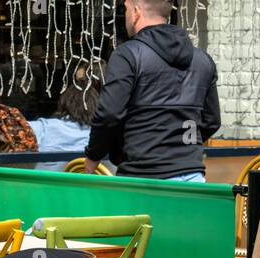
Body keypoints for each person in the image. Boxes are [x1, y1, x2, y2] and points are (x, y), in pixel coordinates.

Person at [84, 0, 219, 181]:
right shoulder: (202, 60)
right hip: (191, 176)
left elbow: (109, 113)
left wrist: (93, 155)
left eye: (126, 9)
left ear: (136, 12)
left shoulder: (127, 55)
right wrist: (180, 145)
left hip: (142, 177)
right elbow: (212, 120)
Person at [30, 69, 101, 170]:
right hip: (88, 185)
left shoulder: (45, 127)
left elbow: (16, 129)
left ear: (64, 103)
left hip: (47, 184)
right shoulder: (102, 134)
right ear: (96, 106)